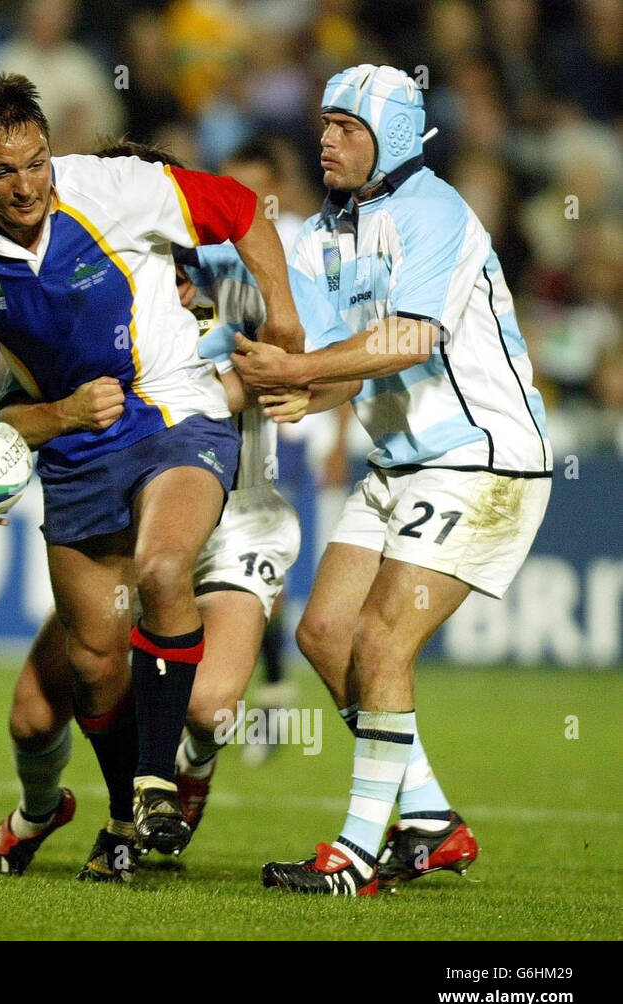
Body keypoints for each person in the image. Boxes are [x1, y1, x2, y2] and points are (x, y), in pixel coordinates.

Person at [0, 76, 304, 859]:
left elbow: (236, 206)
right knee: (93, 661)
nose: (26, 186)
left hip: (173, 409)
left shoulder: (117, 187)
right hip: (76, 447)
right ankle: (123, 820)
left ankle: (155, 784)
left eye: (37, 163)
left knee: (165, 567)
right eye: (4, 172)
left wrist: (282, 307)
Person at [0, 142, 358, 880]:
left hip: (237, 517)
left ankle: (176, 781)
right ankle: (37, 809)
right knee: (31, 712)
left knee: (211, 706)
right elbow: (13, 412)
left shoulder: (242, 280)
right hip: (125, 527)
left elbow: (329, 368)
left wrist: (305, 387)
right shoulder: (79, 299)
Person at [233, 65, 553, 895]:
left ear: (394, 136)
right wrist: (300, 382)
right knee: (325, 633)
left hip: (479, 454)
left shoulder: (433, 211)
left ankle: (356, 854)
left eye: (346, 125)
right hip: (398, 462)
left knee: (380, 639)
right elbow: (340, 368)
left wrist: (302, 368)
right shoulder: (320, 236)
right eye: (324, 122)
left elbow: (408, 339)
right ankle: (431, 820)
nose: (326, 138)